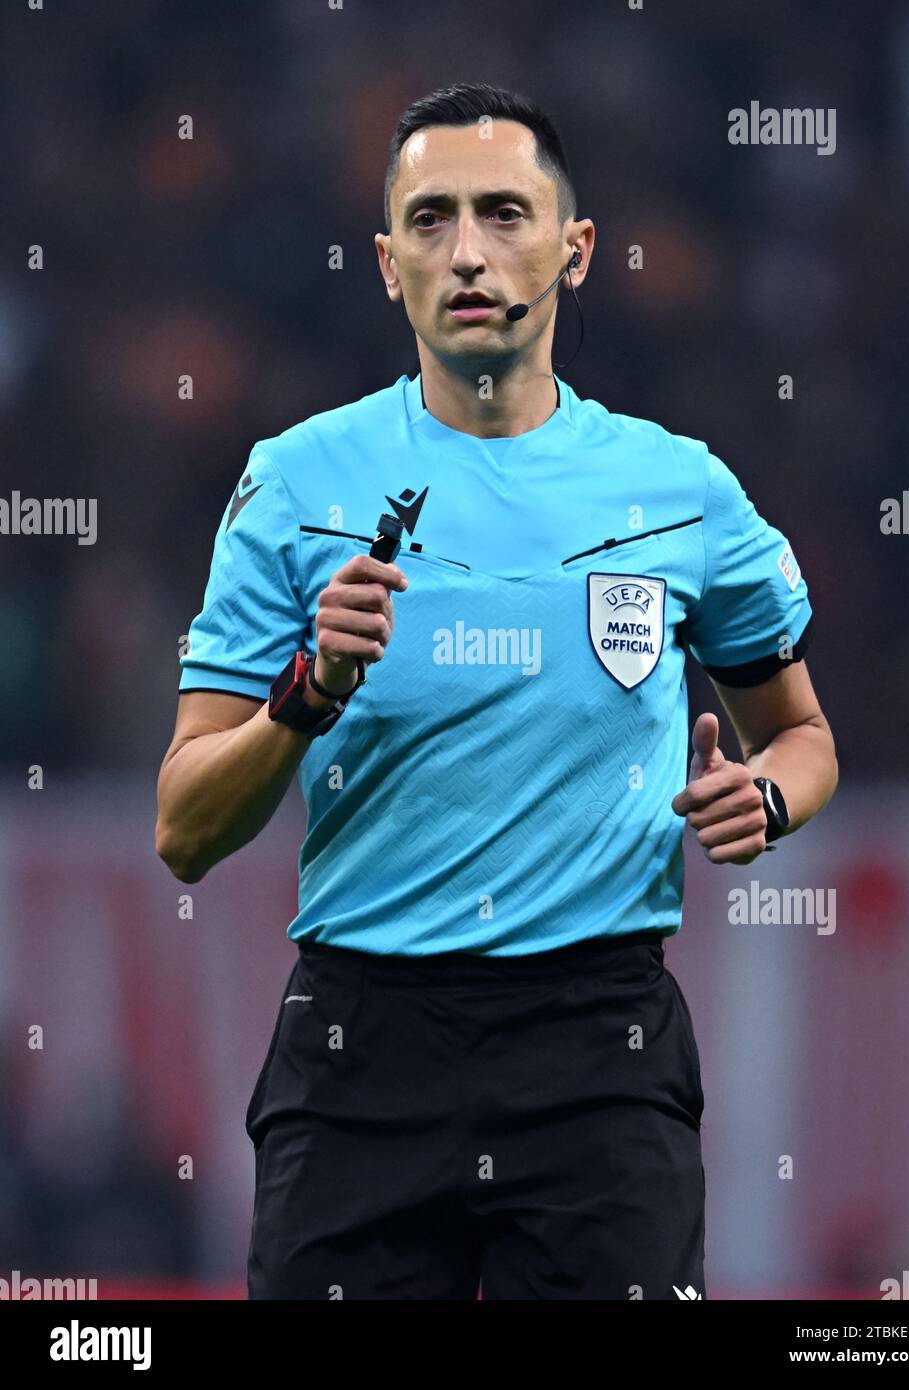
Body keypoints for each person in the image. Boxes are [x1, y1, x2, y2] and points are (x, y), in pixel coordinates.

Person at [155, 82, 838, 1300]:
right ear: (383, 263)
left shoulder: (676, 489)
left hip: (597, 1050)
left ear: (573, 251)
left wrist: (768, 802)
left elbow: (797, 732)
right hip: (362, 1049)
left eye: (502, 212)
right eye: (427, 220)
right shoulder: (294, 481)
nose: (466, 250)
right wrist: (303, 696)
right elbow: (184, 829)